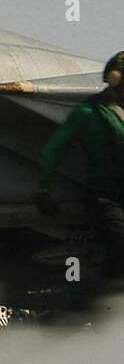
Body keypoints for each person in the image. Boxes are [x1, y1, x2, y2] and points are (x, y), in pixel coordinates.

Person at [38, 51, 124, 289]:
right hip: (106, 197)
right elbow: (53, 151)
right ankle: (112, 310)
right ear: (116, 79)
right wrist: (44, 190)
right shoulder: (88, 113)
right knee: (120, 246)